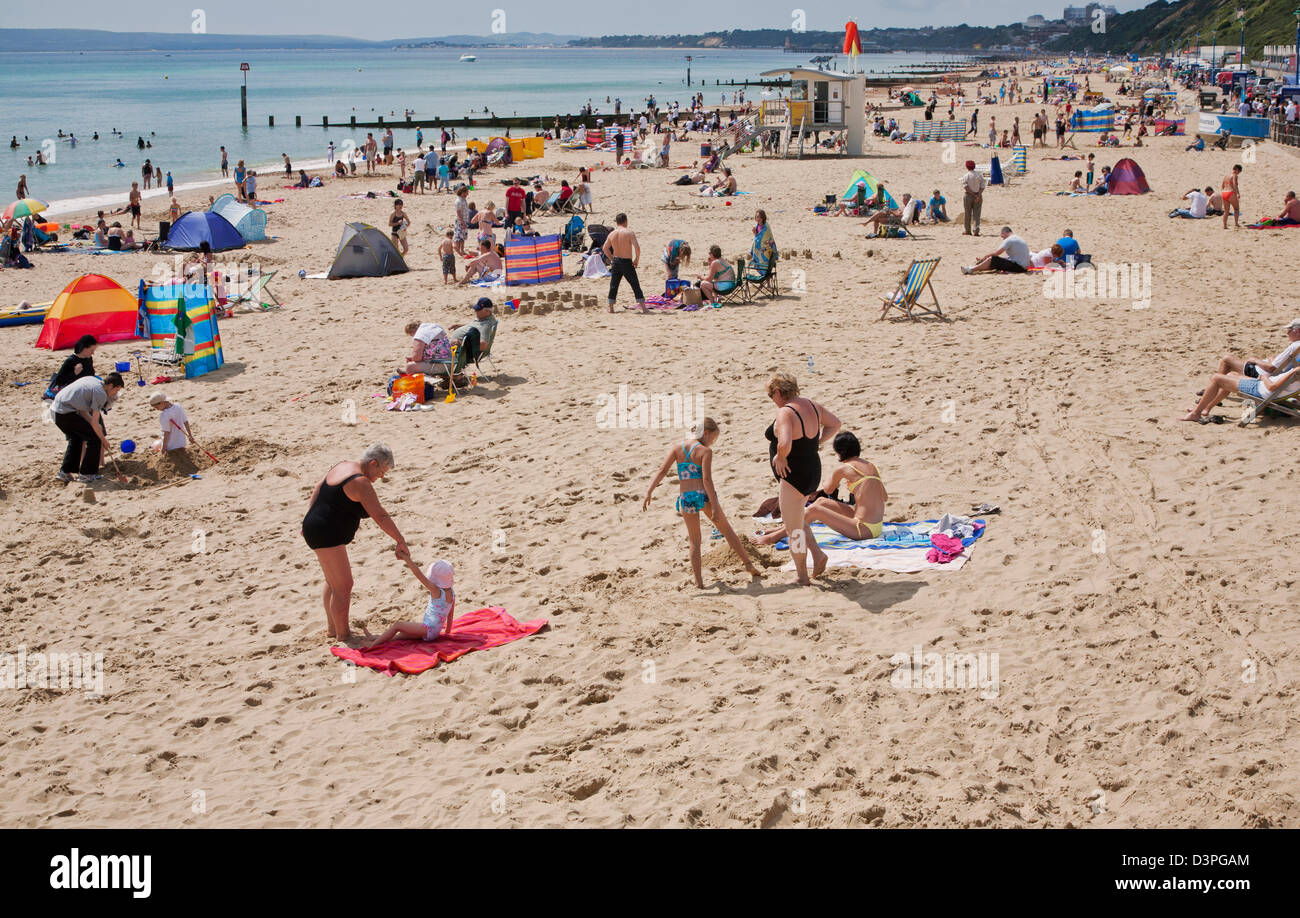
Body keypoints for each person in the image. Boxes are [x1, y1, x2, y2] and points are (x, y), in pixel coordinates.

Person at [301, 444, 410, 641]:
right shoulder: (360, 482)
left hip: (316, 527)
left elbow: (318, 487)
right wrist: (400, 540)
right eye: (381, 472)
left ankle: (333, 629)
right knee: (343, 586)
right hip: (326, 533)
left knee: (333, 583)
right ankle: (344, 636)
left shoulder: (343, 466)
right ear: (373, 463)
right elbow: (381, 516)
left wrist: (307, 517)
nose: (381, 477)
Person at [642, 417, 761, 587]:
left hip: (686, 498)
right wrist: (715, 507)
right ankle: (749, 565)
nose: (712, 443)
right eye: (713, 438)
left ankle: (699, 582)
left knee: (694, 541)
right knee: (727, 531)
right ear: (705, 433)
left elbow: (662, 471)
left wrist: (649, 491)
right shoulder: (704, 451)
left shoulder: (677, 448)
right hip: (702, 496)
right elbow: (706, 480)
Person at [764, 373, 840, 585]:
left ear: (778, 392)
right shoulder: (811, 405)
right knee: (796, 518)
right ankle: (818, 555)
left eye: (771, 395)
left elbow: (785, 441)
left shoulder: (785, 412)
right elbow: (835, 423)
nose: (772, 399)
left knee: (793, 529)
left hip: (794, 476)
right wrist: (818, 442)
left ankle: (802, 576)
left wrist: (780, 456)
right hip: (812, 470)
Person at [756, 431, 887, 544]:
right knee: (821, 502)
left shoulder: (844, 468)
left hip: (863, 529)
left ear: (839, 453)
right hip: (875, 525)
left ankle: (774, 537)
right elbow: (884, 497)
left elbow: (828, 489)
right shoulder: (871, 466)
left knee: (814, 510)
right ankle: (782, 529)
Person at [364, 558, 456, 647]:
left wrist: (407, 559)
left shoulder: (436, 591)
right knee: (400, 636)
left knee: (398, 625)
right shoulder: (452, 593)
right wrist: (447, 633)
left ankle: (372, 645)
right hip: (435, 632)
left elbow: (419, 575)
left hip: (427, 629)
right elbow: (450, 615)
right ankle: (374, 638)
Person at [51, 372, 123, 482]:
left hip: (56, 410)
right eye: (116, 390)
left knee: (77, 438)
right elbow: (95, 424)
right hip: (64, 412)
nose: (114, 394)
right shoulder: (101, 394)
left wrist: (93, 423)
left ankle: (65, 472)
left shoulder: (93, 380)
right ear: (111, 385)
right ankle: (87, 474)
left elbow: (82, 409)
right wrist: (103, 440)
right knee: (94, 438)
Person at [602, 213, 645, 312]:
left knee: (614, 285)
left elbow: (605, 248)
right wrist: (636, 259)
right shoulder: (629, 233)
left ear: (616, 222)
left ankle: (611, 308)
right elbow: (637, 248)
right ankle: (643, 308)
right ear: (626, 221)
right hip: (626, 261)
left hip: (616, 261)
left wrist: (612, 259)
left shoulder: (612, 234)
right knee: (635, 284)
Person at [447, 297, 497, 366]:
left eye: (478, 310)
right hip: (455, 347)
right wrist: (459, 325)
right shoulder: (485, 318)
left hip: (457, 352)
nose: (475, 311)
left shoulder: (486, 326)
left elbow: (483, 345)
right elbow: (475, 325)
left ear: (487, 311)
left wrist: (461, 344)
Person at [44, 334, 97, 399]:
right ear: (84, 348)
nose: (93, 353)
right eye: (91, 350)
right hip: (71, 389)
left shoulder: (89, 358)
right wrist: (75, 373)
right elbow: (58, 381)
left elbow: (91, 374)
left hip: (83, 387)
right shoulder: (70, 361)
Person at [962, 226, 1032, 274]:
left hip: (1019, 267)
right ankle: (974, 268)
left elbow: (996, 253)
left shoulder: (1009, 240)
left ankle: (971, 269)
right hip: (1023, 267)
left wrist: (985, 257)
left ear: (1003, 233)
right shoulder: (1018, 238)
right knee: (995, 261)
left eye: (1002, 237)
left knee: (993, 259)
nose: (1003, 239)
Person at [961, 160, 985, 236]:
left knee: (967, 213)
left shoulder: (966, 176)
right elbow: (982, 186)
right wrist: (978, 195)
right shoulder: (979, 175)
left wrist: (973, 195)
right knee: (977, 214)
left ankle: (967, 230)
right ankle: (976, 230)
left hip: (968, 195)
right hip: (978, 194)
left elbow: (966, 187)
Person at [1222, 163, 1242, 229]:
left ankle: (1224, 225)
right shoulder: (1234, 175)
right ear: (1236, 170)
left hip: (1224, 193)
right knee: (1236, 209)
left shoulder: (1226, 176)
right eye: (1239, 171)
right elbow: (1234, 184)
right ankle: (1236, 224)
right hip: (1230, 193)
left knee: (1226, 211)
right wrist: (1237, 193)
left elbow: (1222, 185)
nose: (1238, 173)